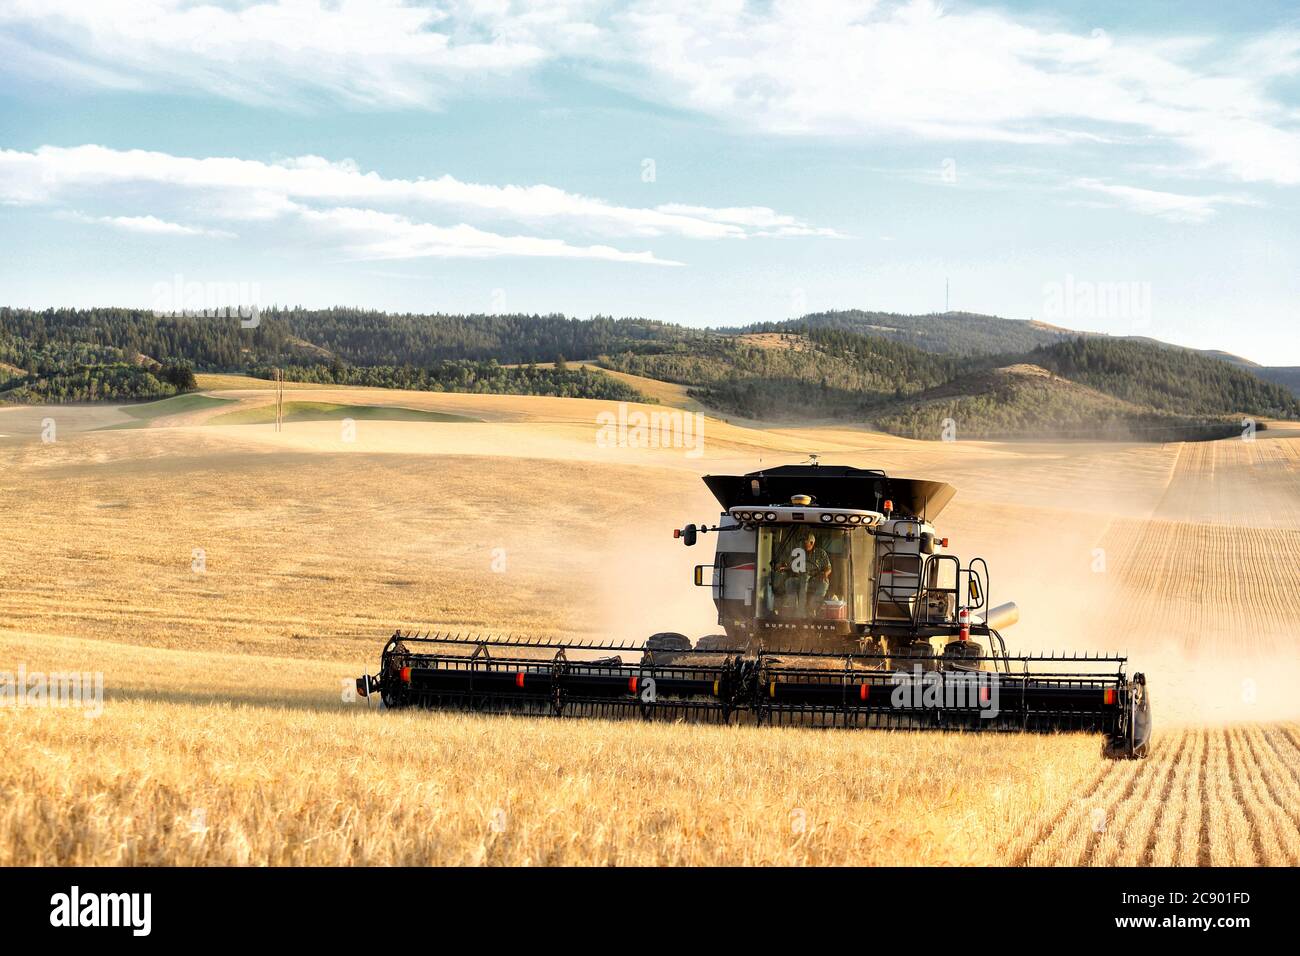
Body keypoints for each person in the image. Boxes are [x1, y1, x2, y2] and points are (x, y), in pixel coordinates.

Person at [777, 532, 832, 616]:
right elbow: (791, 565)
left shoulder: (821, 553)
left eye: (805, 542)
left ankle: (812, 608)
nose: (803, 544)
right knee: (789, 582)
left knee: (824, 583)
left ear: (812, 543)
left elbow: (828, 568)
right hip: (800, 578)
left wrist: (824, 574)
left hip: (815, 580)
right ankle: (793, 609)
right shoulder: (798, 553)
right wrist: (784, 568)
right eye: (802, 542)